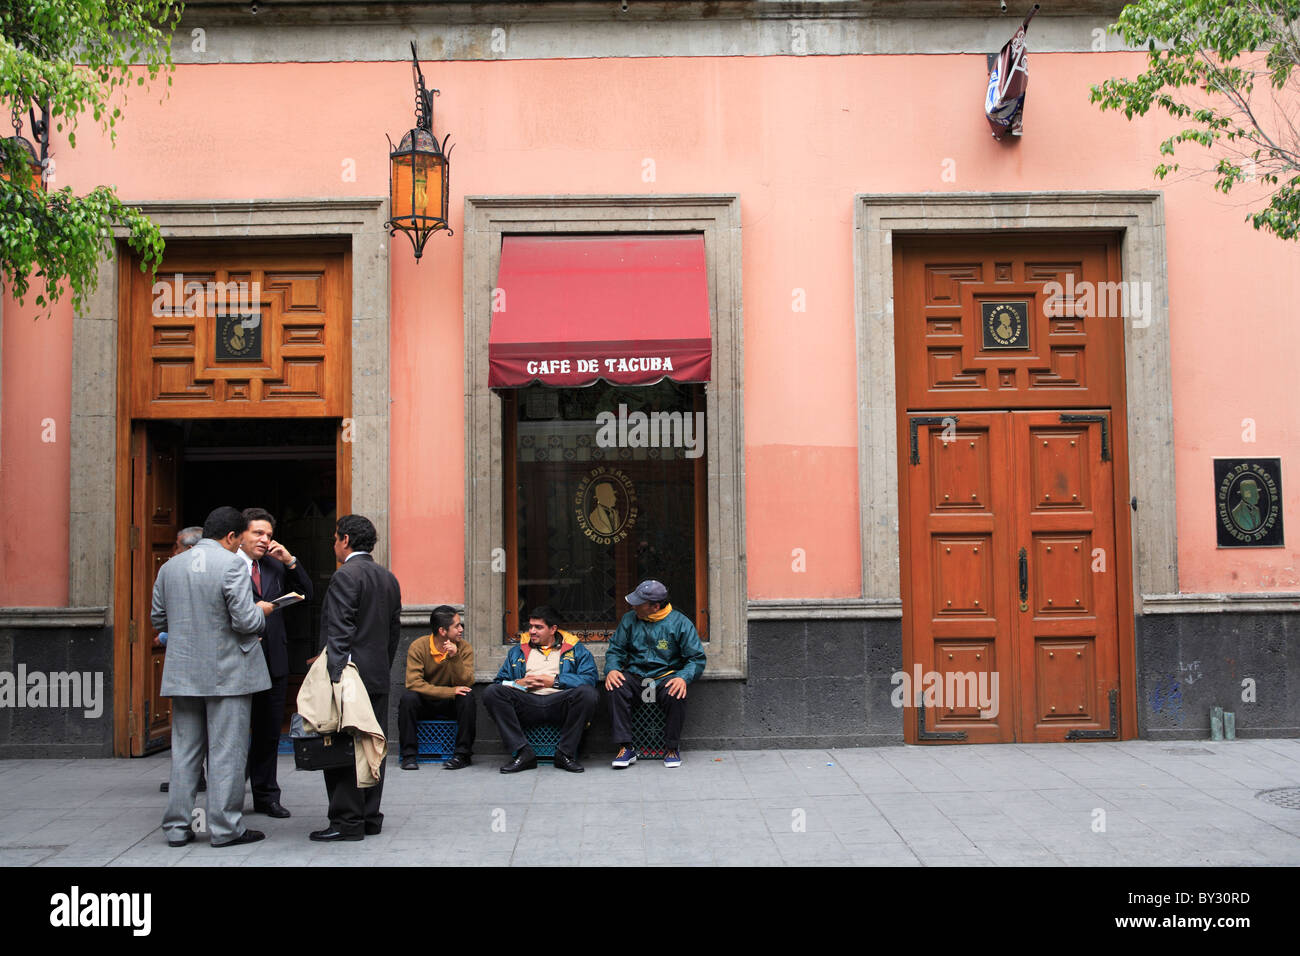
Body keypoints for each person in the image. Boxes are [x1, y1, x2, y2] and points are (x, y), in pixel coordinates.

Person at [152, 506, 274, 847]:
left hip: (183, 671)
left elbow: (159, 620)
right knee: (226, 753)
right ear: (232, 536)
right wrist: (261, 611)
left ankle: (177, 827)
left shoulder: (170, 566)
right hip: (228, 673)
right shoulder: (233, 563)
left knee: (185, 753)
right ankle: (225, 829)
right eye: (238, 541)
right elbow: (245, 622)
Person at [310, 514, 402, 842]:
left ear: (345, 540)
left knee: (342, 748)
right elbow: (394, 632)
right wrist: (382, 665)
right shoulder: (388, 578)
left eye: (335, 538)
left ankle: (347, 821)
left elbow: (340, 629)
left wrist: (334, 676)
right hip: (377, 673)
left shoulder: (345, 576)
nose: (333, 544)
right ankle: (369, 817)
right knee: (374, 746)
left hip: (348, 679)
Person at [239, 507, 313, 819]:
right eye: (258, 533)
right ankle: (227, 798)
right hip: (238, 661)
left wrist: (290, 560)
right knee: (235, 733)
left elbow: (307, 593)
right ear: (239, 535)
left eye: (268, 534)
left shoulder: (273, 565)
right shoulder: (227, 566)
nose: (264, 539)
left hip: (273, 660)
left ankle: (266, 796)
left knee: (269, 733)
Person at [481, 606, 598, 773]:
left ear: (553, 629)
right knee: (492, 692)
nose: (532, 631)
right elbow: (500, 682)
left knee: (588, 694)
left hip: (560, 702)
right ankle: (523, 752)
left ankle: (565, 753)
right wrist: (518, 683)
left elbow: (590, 678)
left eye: (538, 627)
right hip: (527, 702)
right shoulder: (518, 651)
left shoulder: (575, 649)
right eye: (530, 627)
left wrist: (556, 682)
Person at [604, 579, 706, 769]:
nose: (633, 606)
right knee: (615, 687)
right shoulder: (629, 619)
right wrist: (612, 669)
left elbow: (696, 658)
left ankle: (672, 748)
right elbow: (616, 650)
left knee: (676, 693)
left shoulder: (680, 623)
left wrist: (683, 677)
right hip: (635, 676)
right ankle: (625, 747)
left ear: (655, 606)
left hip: (664, 677)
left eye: (638, 603)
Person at [157, 525, 205, 796]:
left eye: (176, 546)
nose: (172, 551)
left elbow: (159, 616)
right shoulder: (227, 567)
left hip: (184, 665)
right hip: (215, 667)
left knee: (188, 732)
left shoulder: (169, 570)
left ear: (188, 549)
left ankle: (186, 790)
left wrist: (166, 636)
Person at [397, 605, 476, 771]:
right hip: (426, 701)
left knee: (468, 697)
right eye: (457, 626)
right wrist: (449, 691)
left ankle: (462, 755)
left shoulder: (464, 648)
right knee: (408, 699)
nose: (461, 629)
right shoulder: (419, 646)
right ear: (442, 631)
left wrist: (455, 658)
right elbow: (413, 683)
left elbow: (466, 682)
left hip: (451, 704)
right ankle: (409, 755)